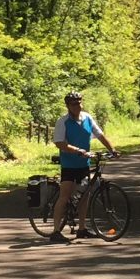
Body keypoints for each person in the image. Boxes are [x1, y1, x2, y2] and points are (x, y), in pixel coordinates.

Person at [51, 91, 119, 243]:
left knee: (85, 195)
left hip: (84, 164)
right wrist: (77, 150)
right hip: (69, 164)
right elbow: (59, 143)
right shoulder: (63, 122)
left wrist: (112, 150)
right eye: (74, 104)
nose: (78, 106)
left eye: (80, 102)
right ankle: (56, 231)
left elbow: (100, 135)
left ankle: (82, 229)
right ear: (68, 106)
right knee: (65, 196)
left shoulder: (87, 118)